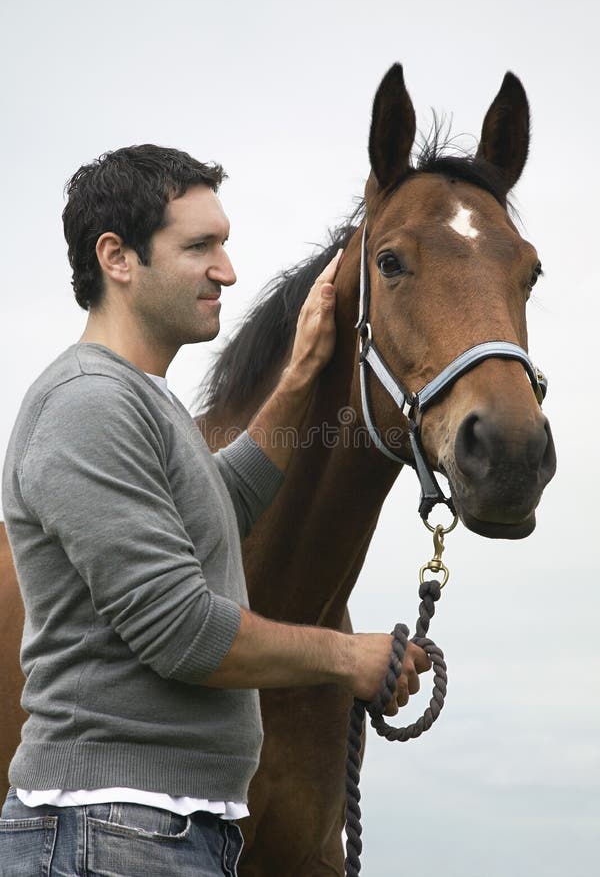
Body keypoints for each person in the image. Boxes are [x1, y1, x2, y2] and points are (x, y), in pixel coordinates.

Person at [0, 145, 429, 877]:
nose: (226, 270)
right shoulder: (87, 405)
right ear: (118, 258)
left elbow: (216, 515)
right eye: (200, 246)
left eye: (224, 245)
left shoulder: (140, 401)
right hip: (112, 828)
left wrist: (296, 380)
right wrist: (346, 657)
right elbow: (182, 631)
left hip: (150, 828)